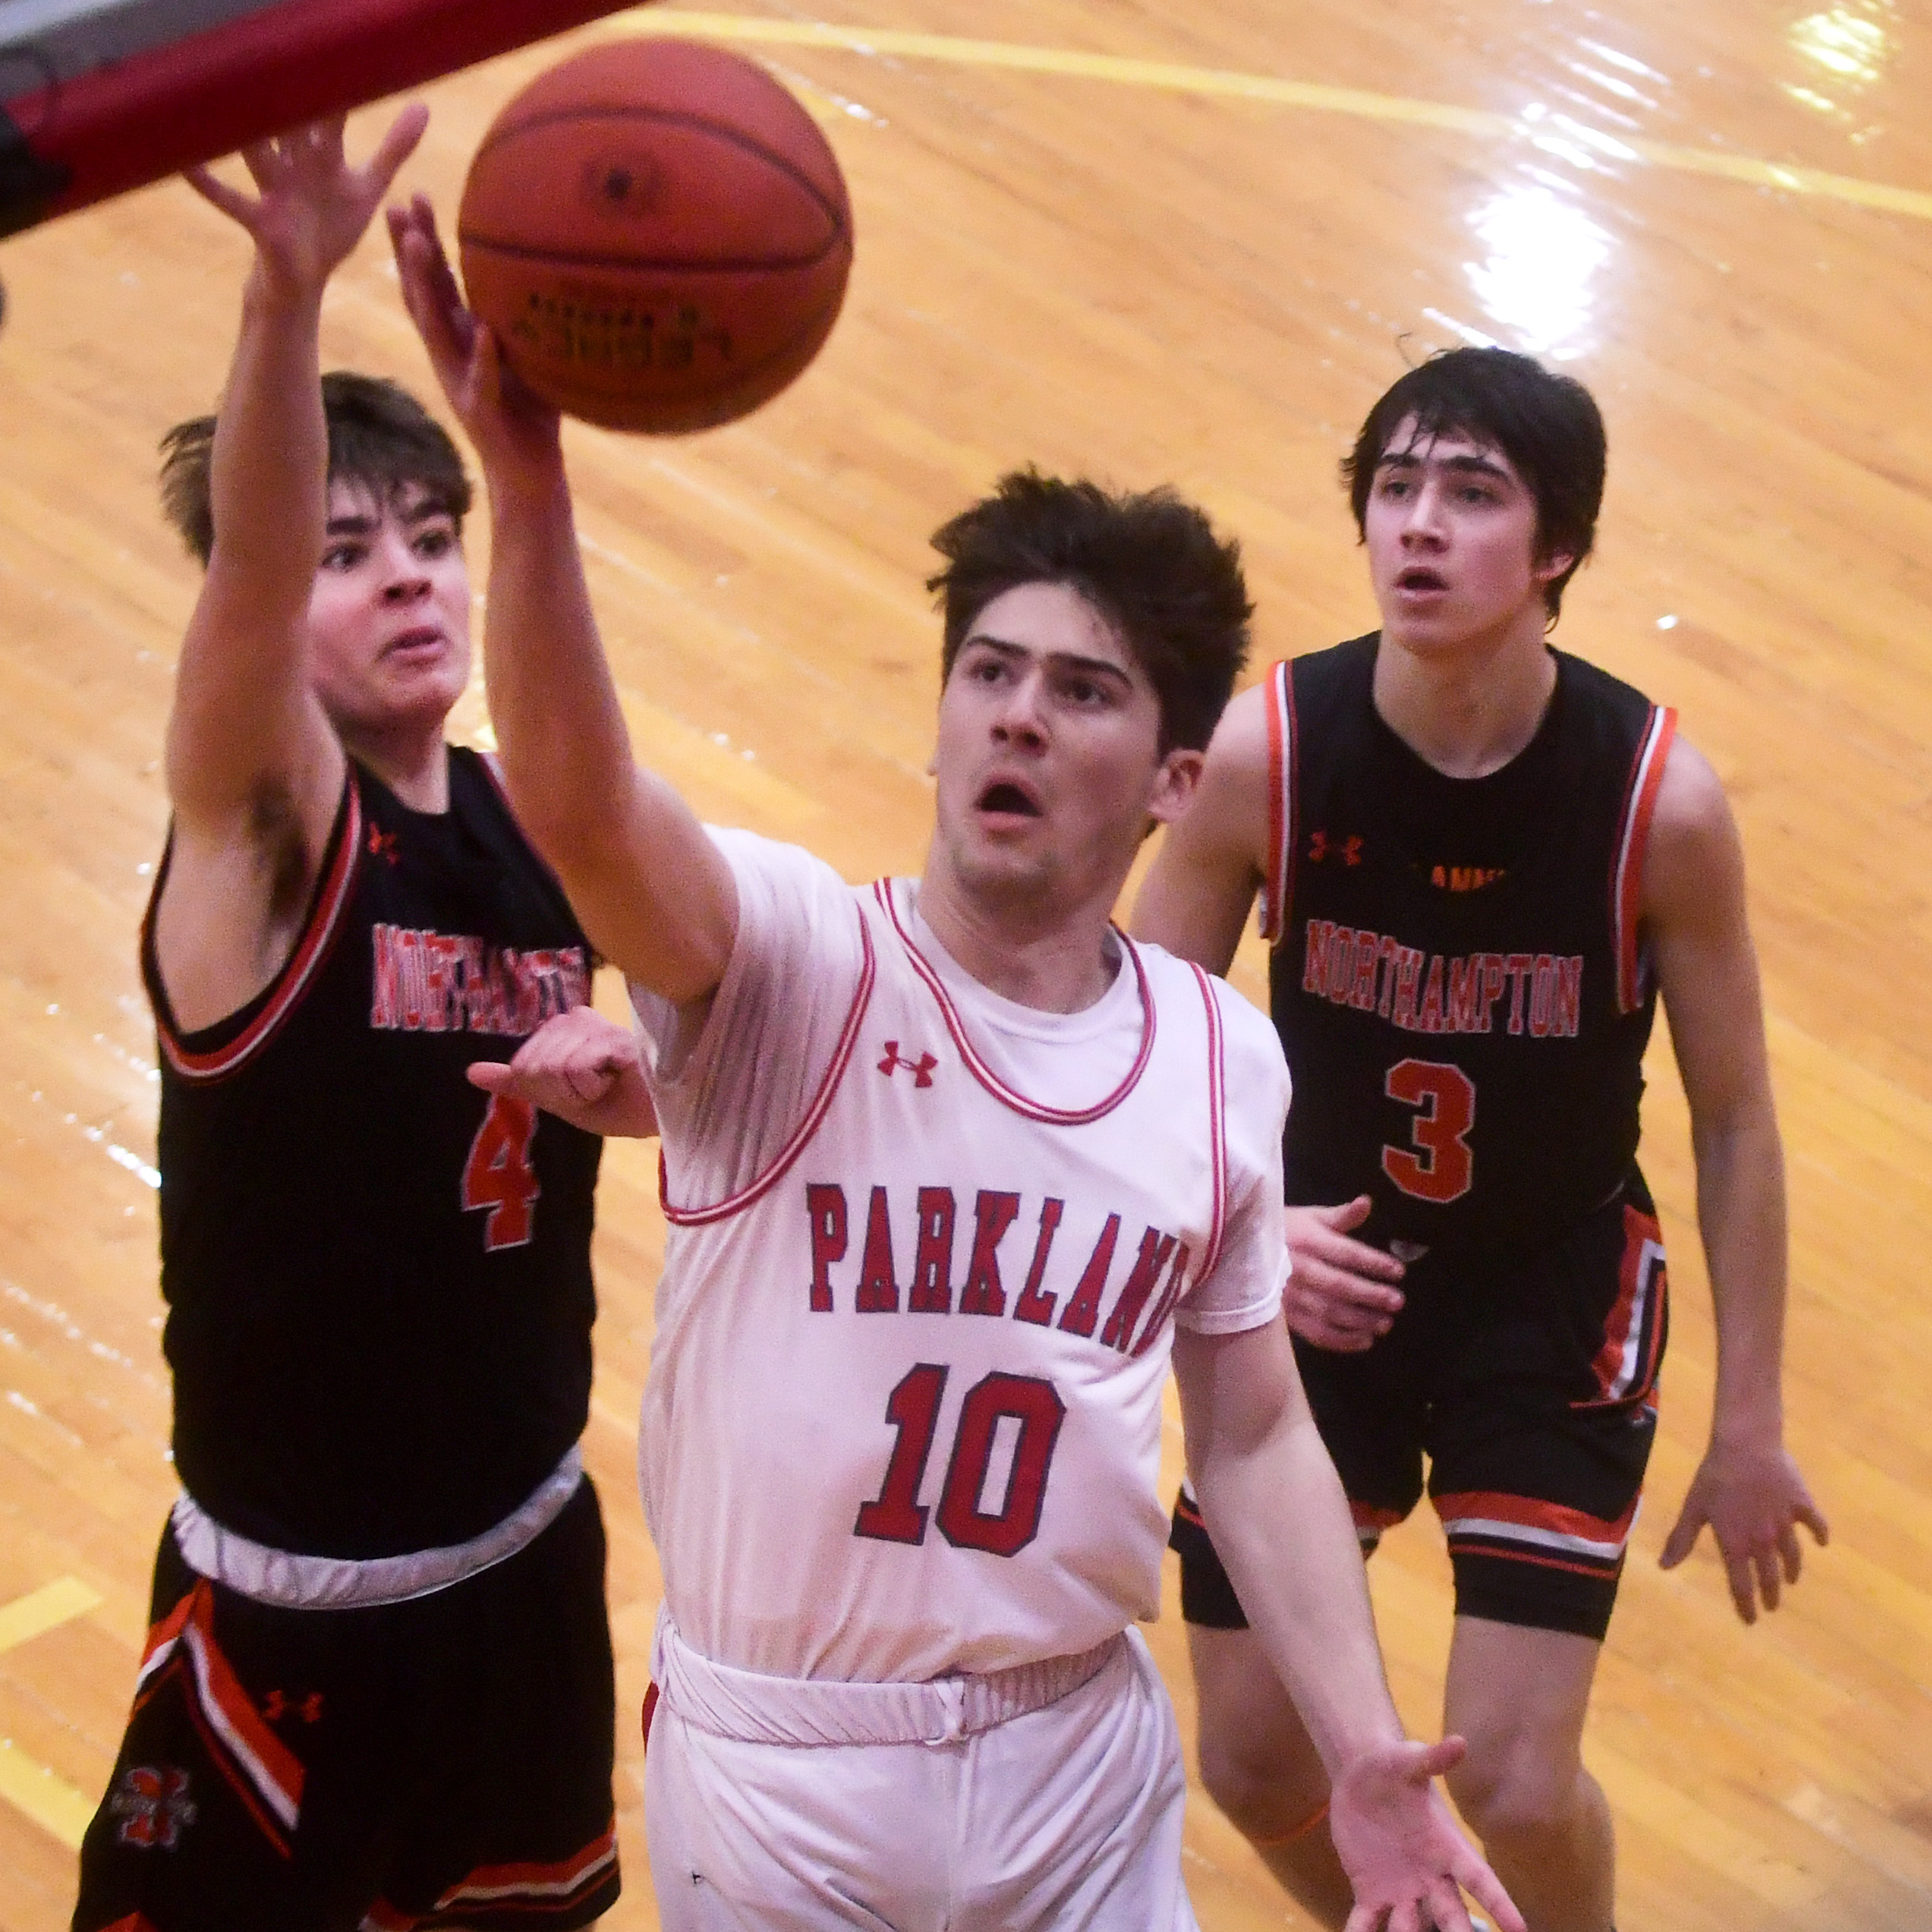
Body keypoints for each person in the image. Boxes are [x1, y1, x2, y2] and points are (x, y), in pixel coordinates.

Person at [388, 196, 1523, 1932]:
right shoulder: (790, 963)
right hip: (786, 1777)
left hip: (1074, 1748)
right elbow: (585, 809)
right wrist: (526, 486)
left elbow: (1255, 1425)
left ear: (1170, 778)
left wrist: (1358, 1740)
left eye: (1080, 691)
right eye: (987, 674)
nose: (1013, 714)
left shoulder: (1218, 1051)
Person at [1131, 346, 1830, 1932]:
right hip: (1318, 1280)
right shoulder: (1271, 755)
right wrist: (1240, 1240)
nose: (1418, 528)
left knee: (1516, 1786)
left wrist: (1752, 1423)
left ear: (1559, 549)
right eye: (1393, 488)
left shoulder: (1661, 802)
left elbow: (1735, 1117)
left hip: (1550, 1284)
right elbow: (1136, 1055)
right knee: (1250, 1760)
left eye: (1470, 493)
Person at [72, 116, 647, 1932]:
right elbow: (243, 564)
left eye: (429, 536)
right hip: (287, 1623)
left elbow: (716, 1046)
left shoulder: (540, 824)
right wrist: (283, 292)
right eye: (348, 552)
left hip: (521, 1572)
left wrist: (654, 1090)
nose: (406, 573)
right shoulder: (261, 835)